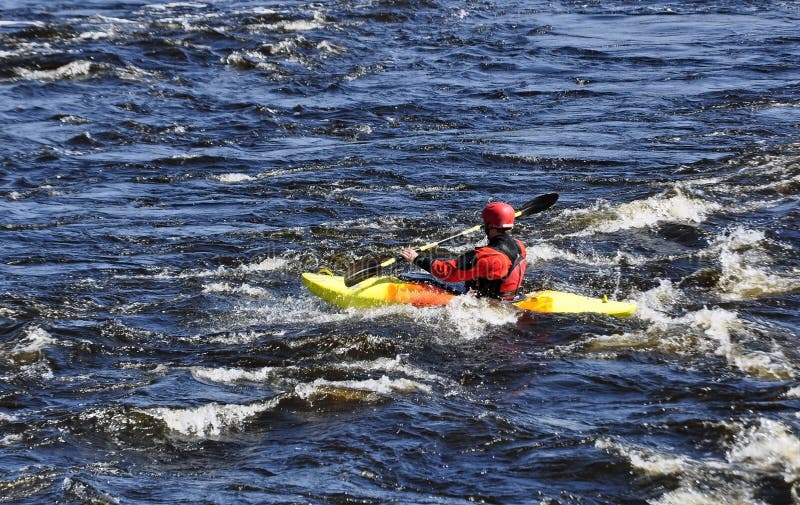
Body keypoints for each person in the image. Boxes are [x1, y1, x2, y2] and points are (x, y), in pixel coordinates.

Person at [400, 202, 527, 300]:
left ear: (488, 226)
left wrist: (416, 258)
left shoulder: (487, 256)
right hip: (510, 298)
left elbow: (447, 272)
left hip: (488, 304)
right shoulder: (520, 245)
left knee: (415, 278)